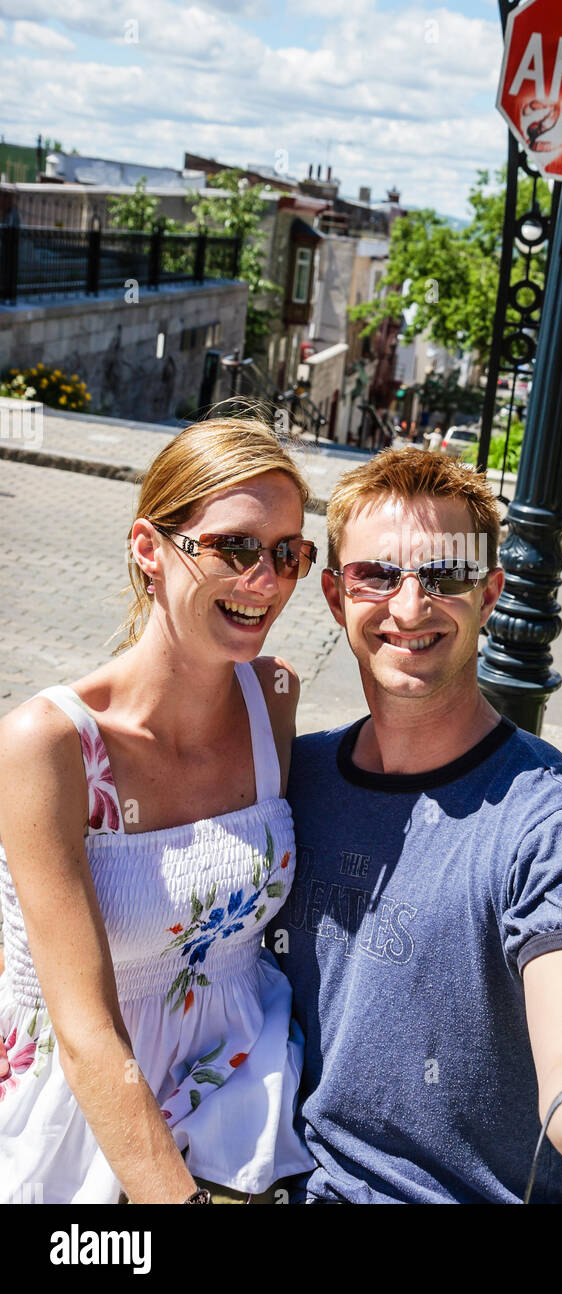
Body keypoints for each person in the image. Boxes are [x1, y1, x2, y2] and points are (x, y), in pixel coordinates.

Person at [266, 447, 562, 1203]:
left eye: (445, 577)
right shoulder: (295, 776)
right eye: (377, 574)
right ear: (334, 594)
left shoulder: (547, 823)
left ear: (491, 594)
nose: (410, 607)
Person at [0, 415, 316, 1203]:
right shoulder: (51, 745)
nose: (266, 581)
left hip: (249, 1090)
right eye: (236, 548)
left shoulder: (271, 698)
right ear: (150, 548)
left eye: (288, 554)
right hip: (87, 1118)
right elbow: (84, 1033)